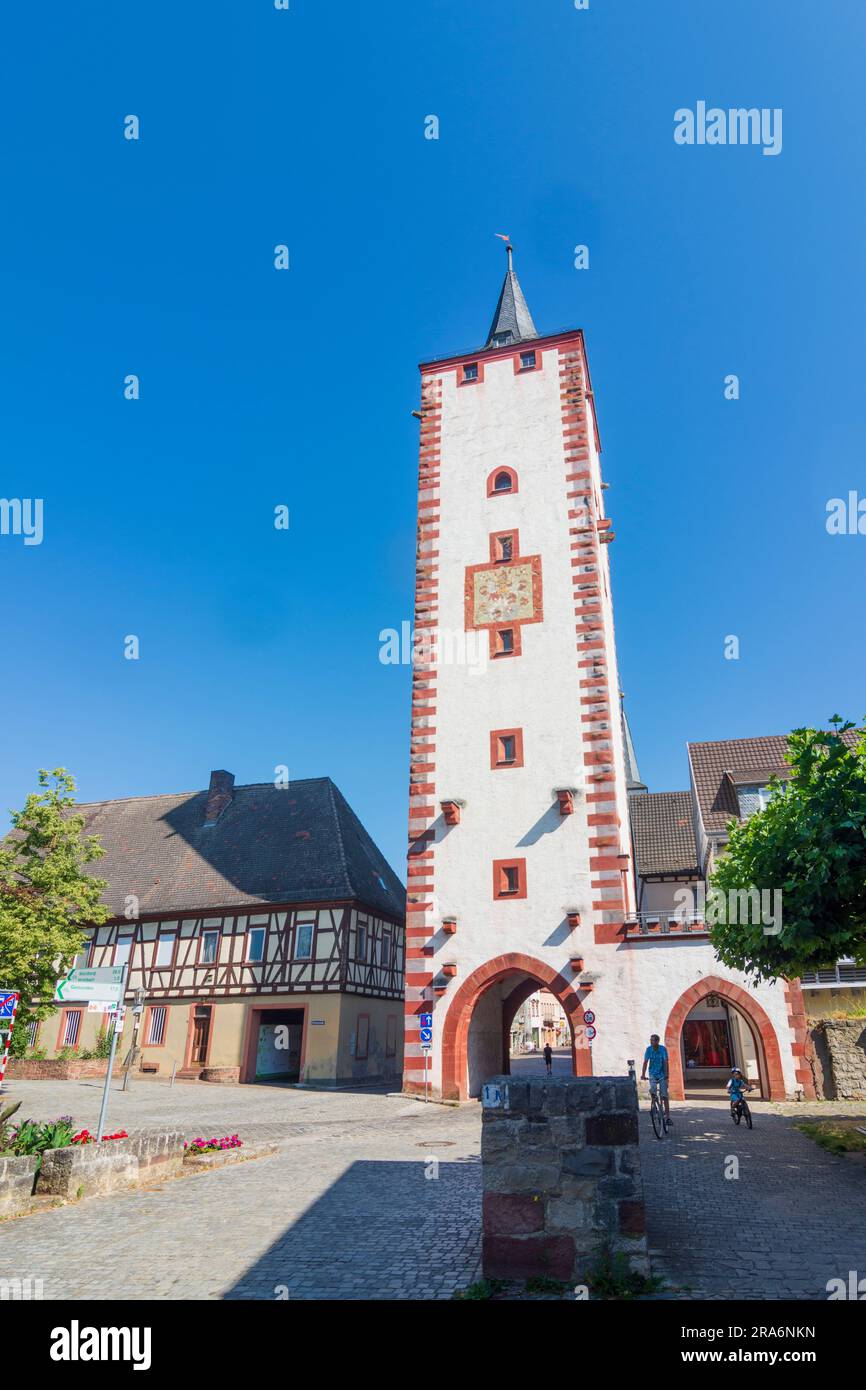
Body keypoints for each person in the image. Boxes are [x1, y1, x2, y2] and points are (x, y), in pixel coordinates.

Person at [640, 1033, 672, 1125]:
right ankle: (654, 1106)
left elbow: (666, 1062)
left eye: (653, 1040)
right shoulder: (649, 1050)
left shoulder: (663, 1049)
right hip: (652, 1074)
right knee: (653, 1090)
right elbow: (645, 1062)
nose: (651, 1041)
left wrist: (667, 1075)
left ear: (657, 1041)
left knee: (664, 1096)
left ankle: (668, 1117)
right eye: (650, 1040)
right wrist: (643, 1074)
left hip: (662, 1074)